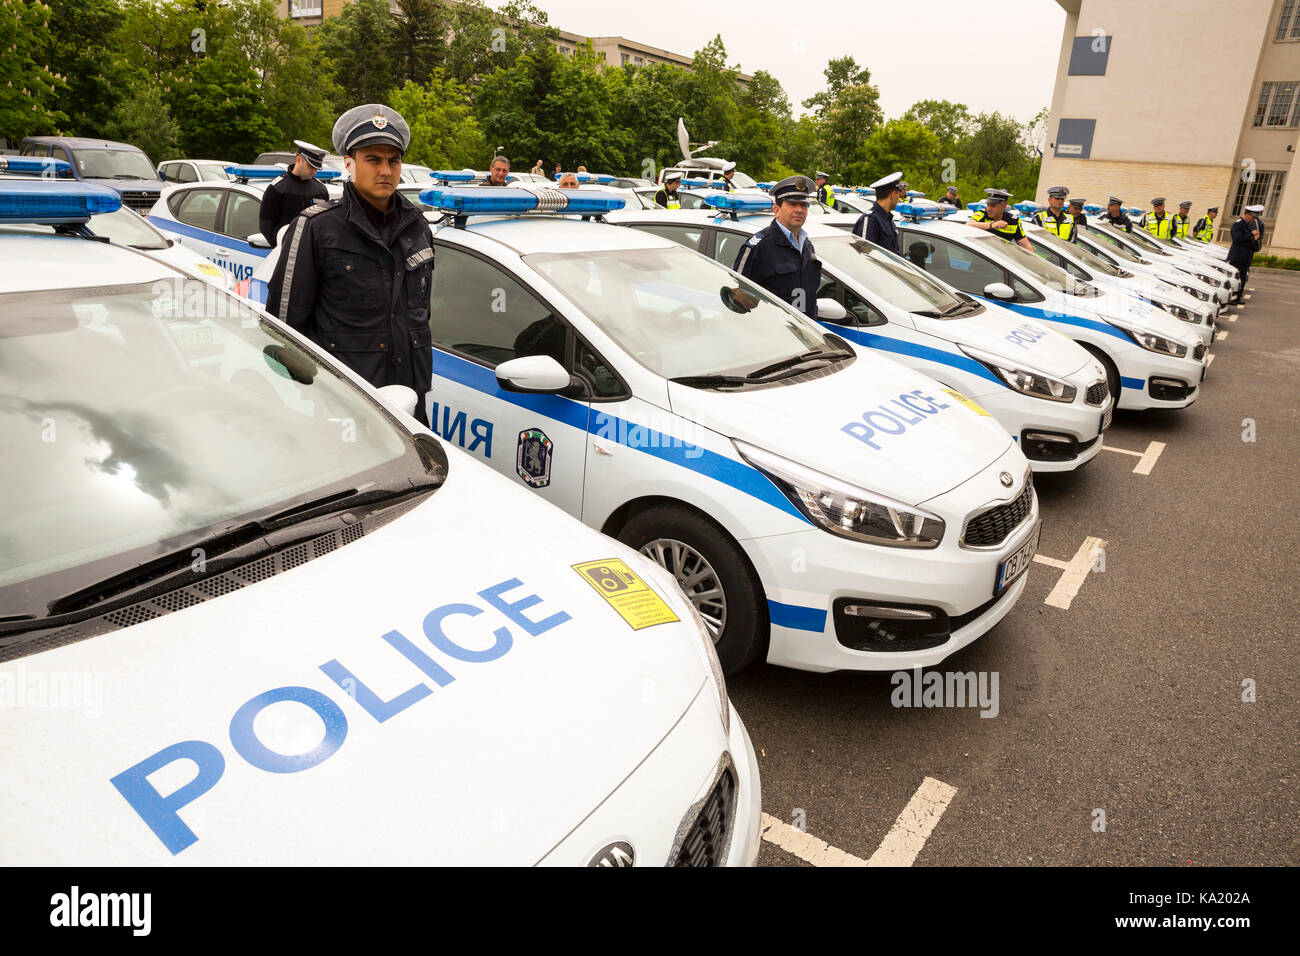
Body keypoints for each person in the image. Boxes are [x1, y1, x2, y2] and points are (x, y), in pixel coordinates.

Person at [266, 104, 434, 426]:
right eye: (373, 159)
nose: (385, 170)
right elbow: (284, 329)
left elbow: (420, 314)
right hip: (346, 407)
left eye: (393, 160)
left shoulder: (419, 228)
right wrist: (316, 398)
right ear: (349, 164)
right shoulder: (317, 228)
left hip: (411, 404)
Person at [732, 175, 822, 319]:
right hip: (772, 335)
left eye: (803, 205)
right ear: (776, 209)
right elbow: (739, 302)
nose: (799, 210)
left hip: (806, 335)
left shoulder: (806, 245)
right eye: (792, 204)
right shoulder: (758, 247)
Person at [257, 140, 329, 248]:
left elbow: (325, 224)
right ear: (299, 160)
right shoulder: (277, 188)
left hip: (313, 252)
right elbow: (266, 226)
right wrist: (281, 248)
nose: (314, 172)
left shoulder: (321, 190)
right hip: (284, 252)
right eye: (311, 166)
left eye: (316, 168)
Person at [852, 171, 904, 253]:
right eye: (898, 195)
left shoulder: (888, 219)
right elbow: (865, 256)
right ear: (893, 194)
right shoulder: (870, 220)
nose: (898, 199)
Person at [967, 188, 1033, 250]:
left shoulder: (1013, 220)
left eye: (993, 206)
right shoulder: (982, 214)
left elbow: (1026, 246)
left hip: (1000, 260)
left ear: (1004, 206)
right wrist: (992, 225)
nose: (989, 209)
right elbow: (968, 225)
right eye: (988, 205)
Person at [1226, 204, 1263, 304]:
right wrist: (1251, 234)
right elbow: (1237, 239)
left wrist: (1255, 239)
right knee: (1235, 279)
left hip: (1245, 257)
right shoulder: (1238, 224)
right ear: (1247, 215)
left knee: (1242, 278)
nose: (1254, 220)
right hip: (1237, 256)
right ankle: (1232, 298)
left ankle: (1238, 297)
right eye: (1253, 217)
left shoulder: (1246, 224)